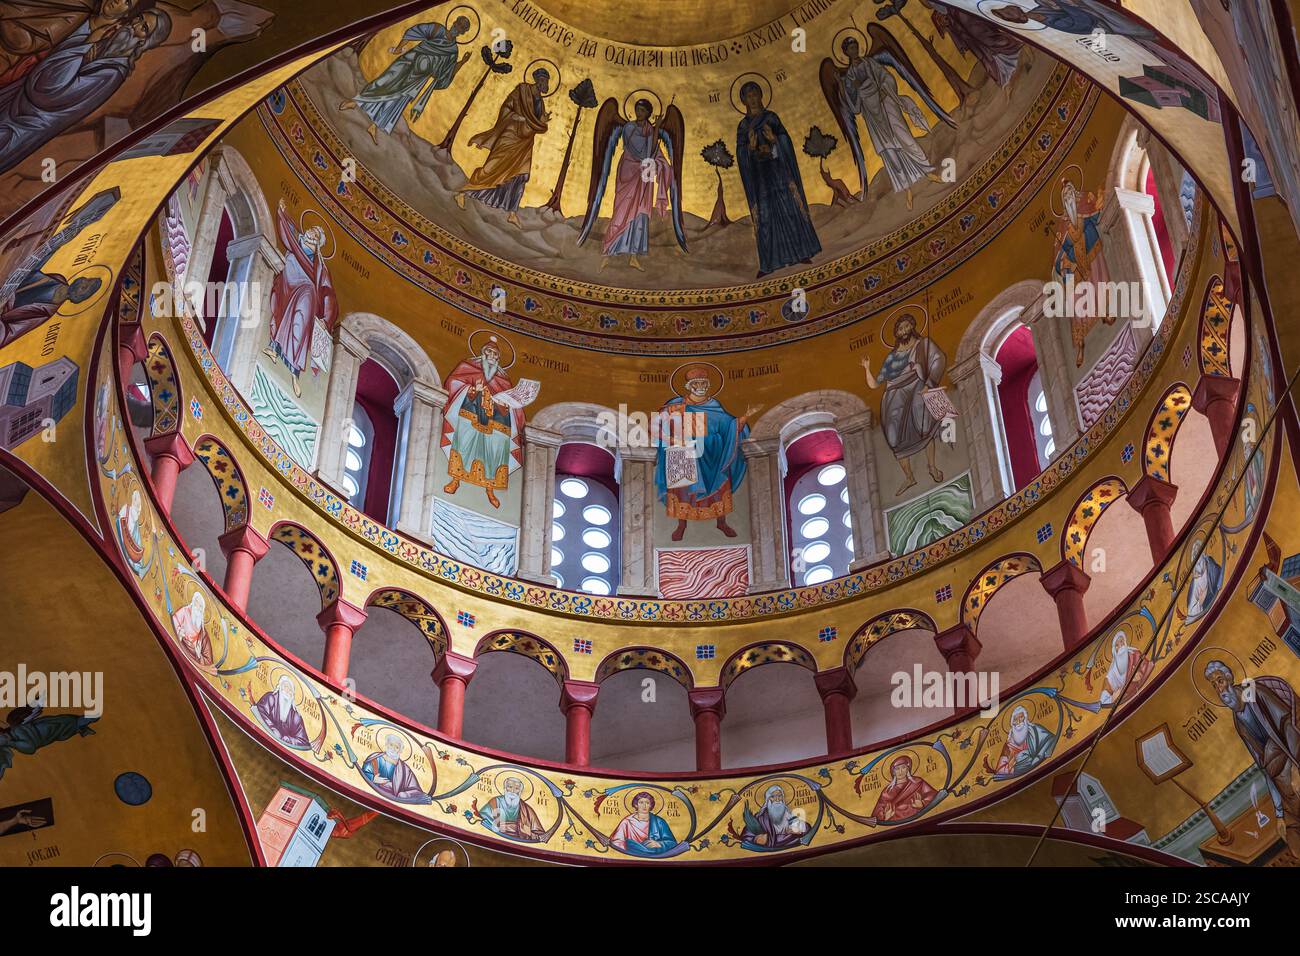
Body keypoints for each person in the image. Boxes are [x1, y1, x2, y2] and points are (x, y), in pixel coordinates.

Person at [0, 1, 171, 173]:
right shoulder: (106, 45)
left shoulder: (112, 73)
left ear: (145, 42)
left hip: (22, 124)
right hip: (14, 102)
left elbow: (49, 90)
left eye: (143, 27)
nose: (134, 25)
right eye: (139, 18)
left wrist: (88, 43)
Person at [837, 35, 945, 209]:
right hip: (872, 116)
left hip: (885, 103)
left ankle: (929, 171)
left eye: (855, 46)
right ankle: (907, 190)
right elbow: (854, 107)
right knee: (889, 151)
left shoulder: (870, 63)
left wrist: (883, 89)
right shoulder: (849, 76)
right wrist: (848, 87)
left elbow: (886, 77)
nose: (854, 50)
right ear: (846, 53)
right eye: (850, 48)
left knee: (904, 137)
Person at [1204, 661, 1300, 855]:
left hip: (1293, 766)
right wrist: (1279, 814)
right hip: (1281, 782)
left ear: (1230, 679)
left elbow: (1288, 725)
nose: (1219, 690)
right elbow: (1264, 768)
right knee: (1291, 834)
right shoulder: (1239, 722)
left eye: (1220, 681)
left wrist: (1297, 767)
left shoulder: (1256, 694)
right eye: (1214, 686)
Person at [653, 367, 758, 541]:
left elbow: (727, 425)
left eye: (703, 383)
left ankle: (721, 522)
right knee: (683, 488)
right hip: (684, 452)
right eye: (696, 383)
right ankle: (681, 524)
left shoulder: (714, 406)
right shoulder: (675, 405)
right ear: (689, 386)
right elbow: (658, 423)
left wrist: (742, 420)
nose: (700, 386)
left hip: (714, 454)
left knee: (719, 485)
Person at [339, 16, 472, 144]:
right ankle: (355, 102)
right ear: (454, 22)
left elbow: (448, 73)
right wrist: (398, 48)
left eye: (461, 28)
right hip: (408, 62)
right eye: (458, 24)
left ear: (463, 33)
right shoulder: (437, 29)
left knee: (398, 100)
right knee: (385, 82)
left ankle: (374, 126)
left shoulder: (453, 51)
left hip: (419, 79)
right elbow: (414, 31)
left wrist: (462, 62)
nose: (458, 28)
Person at [735, 80, 821, 277]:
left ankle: (801, 252)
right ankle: (768, 264)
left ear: (761, 95)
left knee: (790, 207)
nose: (753, 98)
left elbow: (785, 141)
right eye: (749, 96)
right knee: (765, 216)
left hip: (778, 171)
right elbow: (741, 154)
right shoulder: (744, 125)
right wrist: (749, 148)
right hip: (760, 179)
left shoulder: (771, 117)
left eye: (756, 93)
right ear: (744, 101)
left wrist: (775, 141)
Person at [440, 336, 535, 508]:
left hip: (498, 419)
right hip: (470, 411)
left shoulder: (504, 380)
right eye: (489, 352)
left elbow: (515, 406)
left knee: (496, 453)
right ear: (482, 354)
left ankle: (490, 490)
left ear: (498, 359)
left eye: (495, 354)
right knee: (464, 444)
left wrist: (509, 405)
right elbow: (452, 384)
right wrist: (471, 390)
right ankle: (455, 480)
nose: (492, 356)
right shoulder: (467, 367)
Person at [861, 313, 948, 495]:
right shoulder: (891, 358)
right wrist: (867, 368)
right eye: (901, 328)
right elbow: (875, 384)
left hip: (917, 387)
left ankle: (932, 467)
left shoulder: (922, 345)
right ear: (896, 333)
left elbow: (938, 359)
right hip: (893, 398)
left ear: (913, 327)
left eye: (907, 326)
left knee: (924, 425)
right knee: (894, 437)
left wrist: (929, 382)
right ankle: (909, 477)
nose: (904, 331)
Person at [455, 68, 552, 227]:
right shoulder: (522, 90)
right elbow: (506, 107)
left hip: (525, 142)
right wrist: (516, 117)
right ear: (538, 79)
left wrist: (542, 120)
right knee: (492, 167)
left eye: (547, 82)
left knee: (519, 176)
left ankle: (512, 213)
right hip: (511, 133)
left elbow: (537, 123)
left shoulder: (540, 103)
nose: (545, 85)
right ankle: (462, 193)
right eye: (544, 81)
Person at [265, 199, 337, 397]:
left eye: (316, 234)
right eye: (312, 230)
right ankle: (274, 348)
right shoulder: (296, 239)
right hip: (289, 280)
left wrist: (327, 320)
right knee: (299, 296)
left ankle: (294, 369)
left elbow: (328, 292)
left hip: (305, 290)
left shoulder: (320, 265)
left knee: (304, 313)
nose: (312, 233)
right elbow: (286, 232)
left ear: (319, 243)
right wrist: (281, 213)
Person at [0, 706, 98, 780]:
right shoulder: (16, 742)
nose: (2, 737)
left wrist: (10, 742)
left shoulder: (15, 729)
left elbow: (29, 746)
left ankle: (84, 720)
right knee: (66, 725)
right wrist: (11, 743)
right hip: (46, 733)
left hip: (45, 726)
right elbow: (30, 748)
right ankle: (83, 721)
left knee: (64, 722)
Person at [361, 733, 432, 804]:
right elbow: (363, 773)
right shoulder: (375, 758)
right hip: (373, 792)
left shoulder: (405, 769)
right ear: (386, 745)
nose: (393, 749)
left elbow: (414, 788)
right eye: (391, 745)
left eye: (397, 747)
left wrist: (403, 795)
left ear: (400, 751)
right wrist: (373, 779)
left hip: (393, 798)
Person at [870, 754, 939, 822]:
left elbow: (933, 794)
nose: (901, 771)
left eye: (903, 767)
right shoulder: (887, 791)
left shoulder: (917, 782)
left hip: (919, 815)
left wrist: (922, 803)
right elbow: (877, 813)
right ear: (893, 772)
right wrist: (885, 817)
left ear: (907, 769)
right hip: (895, 820)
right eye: (897, 769)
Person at [994, 705, 1055, 776]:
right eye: (1015, 719)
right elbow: (999, 770)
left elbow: (1050, 739)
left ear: (1025, 718)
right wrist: (1016, 766)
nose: (1019, 721)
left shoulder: (1035, 730)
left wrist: (1038, 757)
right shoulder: (1008, 745)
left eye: (1021, 717)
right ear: (1012, 723)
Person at [479, 775, 546, 841]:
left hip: (520, 841)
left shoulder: (526, 809)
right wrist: (515, 827)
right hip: (495, 837)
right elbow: (483, 817)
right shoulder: (496, 802)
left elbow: (539, 833)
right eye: (510, 787)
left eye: (516, 788)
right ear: (505, 788)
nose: (512, 791)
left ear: (520, 792)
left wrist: (512, 826)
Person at [610, 792, 678, 856]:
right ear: (636, 804)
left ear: (651, 805)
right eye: (641, 802)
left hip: (654, 855)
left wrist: (659, 844)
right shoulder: (627, 822)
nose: (644, 806)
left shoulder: (659, 822)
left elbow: (672, 843)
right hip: (631, 855)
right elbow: (617, 842)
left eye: (647, 803)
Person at [741, 784, 808, 848]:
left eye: (780, 796)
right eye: (773, 796)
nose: (777, 799)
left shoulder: (788, 813)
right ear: (768, 799)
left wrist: (798, 829)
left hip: (789, 843)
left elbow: (804, 827)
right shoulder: (760, 817)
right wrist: (755, 839)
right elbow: (746, 836)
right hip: (774, 845)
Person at [252, 675, 310, 748]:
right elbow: (260, 711)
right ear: (280, 687)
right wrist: (273, 728)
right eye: (285, 686)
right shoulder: (270, 698)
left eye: (290, 689)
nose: (288, 691)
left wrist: (288, 739)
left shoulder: (295, 716)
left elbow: (303, 741)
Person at [1098, 629, 1151, 705]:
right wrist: (1115, 696)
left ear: (1125, 642)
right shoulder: (1112, 672)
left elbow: (1147, 667)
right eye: (1117, 644)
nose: (1121, 645)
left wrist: (1140, 674)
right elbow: (1104, 700)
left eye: (1122, 641)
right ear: (1114, 649)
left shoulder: (1135, 654)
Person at [171, 591, 212, 666]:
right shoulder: (184, 611)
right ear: (193, 601)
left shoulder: (202, 630)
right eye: (197, 602)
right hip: (180, 648)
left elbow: (208, 660)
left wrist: (199, 655)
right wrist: (179, 634)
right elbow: (172, 624)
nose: (198, 607)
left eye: (201, 606)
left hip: (193, 658)